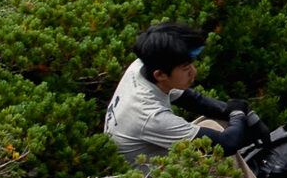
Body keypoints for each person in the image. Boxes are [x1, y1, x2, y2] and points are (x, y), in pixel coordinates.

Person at [103, 22, 261, 167]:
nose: (194, 71)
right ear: (160, 74)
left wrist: (248, 115)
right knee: (213, 131)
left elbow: (193, 100)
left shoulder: (143, 66)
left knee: (222, 122)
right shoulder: (151, 116)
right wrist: (238, 114)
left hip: (151, 154)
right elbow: (226, 144)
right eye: (186, 68)